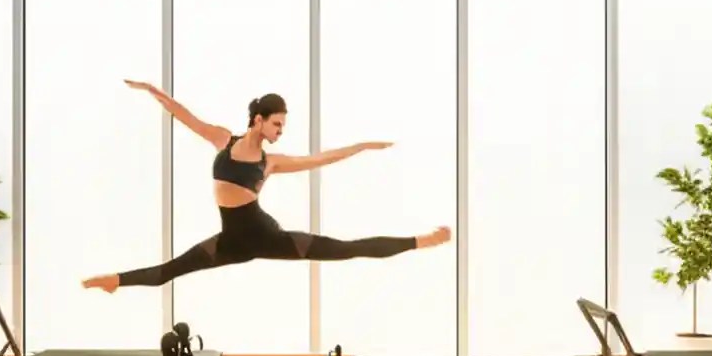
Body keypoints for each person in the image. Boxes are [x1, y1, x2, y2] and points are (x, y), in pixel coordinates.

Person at [81, 80, 452, 293]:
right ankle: (115, 281)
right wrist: (153, 92)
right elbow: (186, 117)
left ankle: (422, 240)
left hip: (270, 236)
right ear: (258, 120)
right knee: (168, 272)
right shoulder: (223, 139)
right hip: (231, 242)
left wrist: (360, 147)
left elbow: (322, 158)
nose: (279, 131)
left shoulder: (270, 162)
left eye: (282, 127)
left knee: (346, 249)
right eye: (276, 124)